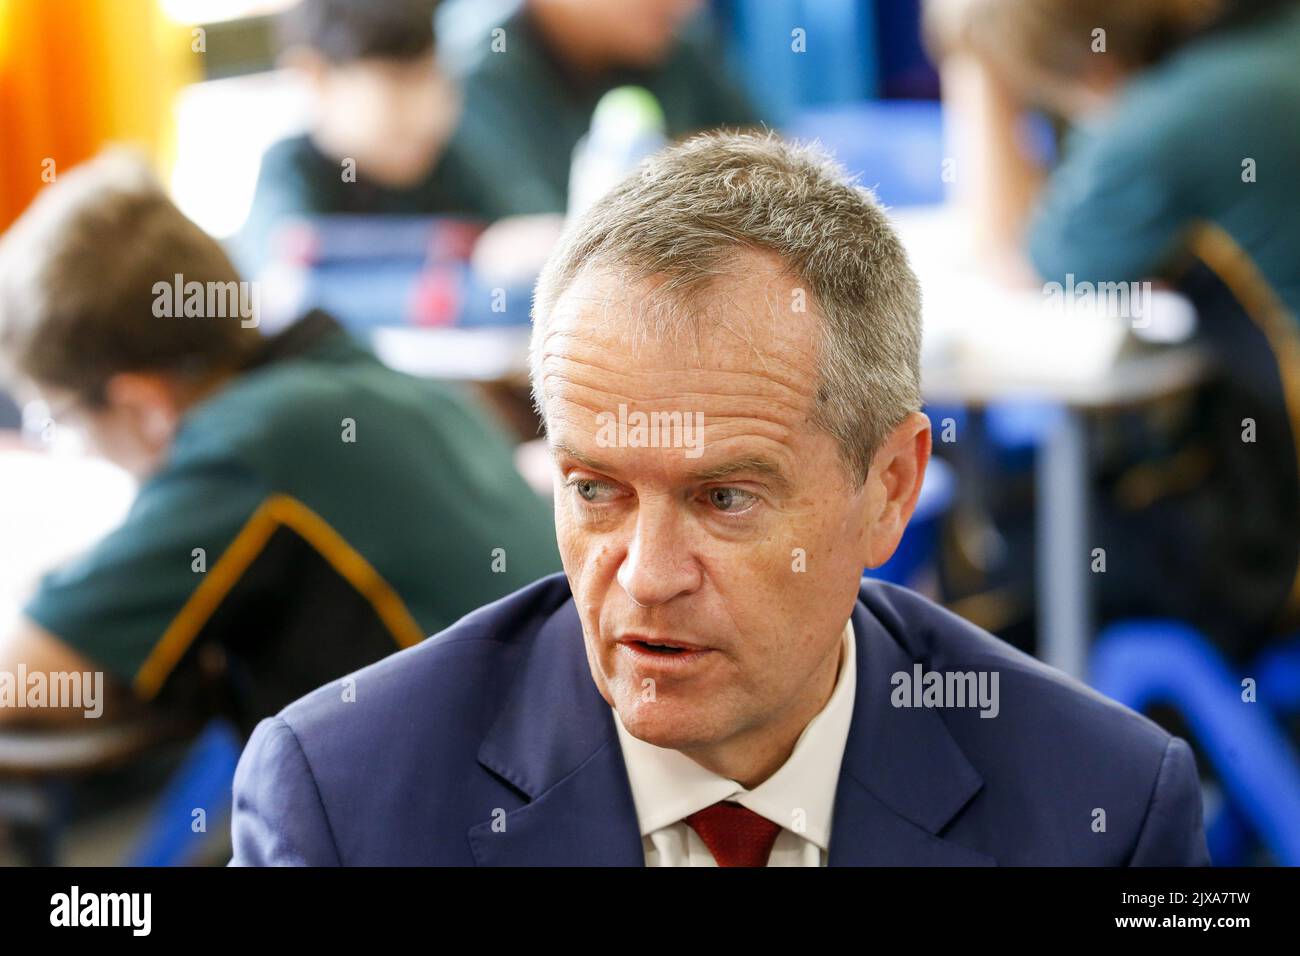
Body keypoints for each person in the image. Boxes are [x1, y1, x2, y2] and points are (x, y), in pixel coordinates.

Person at [230, 132, 1208, 866]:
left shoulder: (1100, 809)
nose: (645, 577)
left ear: (890, 489)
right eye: (593, 488)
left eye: (724, 497)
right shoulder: (345, 804)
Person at [0, 151, 561, 733]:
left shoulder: (242, 451)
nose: (72, 445)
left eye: (59, 417)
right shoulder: (347, 376)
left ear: (141, 405)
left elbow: (19, 676)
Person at [924, 0, 1300, 659]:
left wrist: (972, 60)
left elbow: (1017, 258)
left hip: (1277, 545)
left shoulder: (1174, 117)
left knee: (990, 555)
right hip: (1260, 476)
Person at [238, 0, 534, 273]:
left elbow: (518, 233)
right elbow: (287, 259)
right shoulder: (291, 170)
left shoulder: (453, 160)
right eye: (398, 85)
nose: (428, 111)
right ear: (316, 76)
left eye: (436, 76)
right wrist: (469, 246)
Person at [449, 0, 761, 215]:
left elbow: (769, 163)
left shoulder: (675, 46)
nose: (688, 6)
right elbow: (568, 232)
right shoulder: (475, 68)